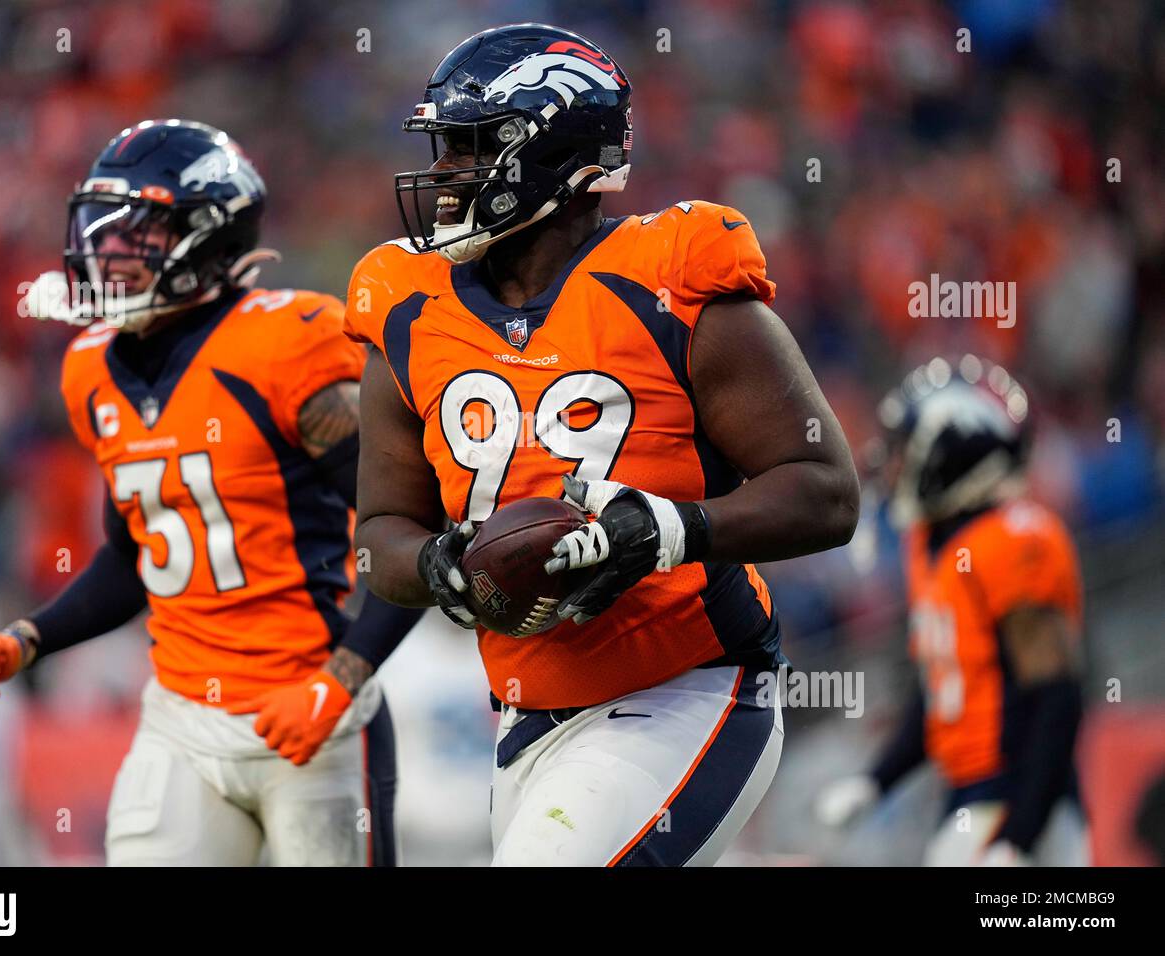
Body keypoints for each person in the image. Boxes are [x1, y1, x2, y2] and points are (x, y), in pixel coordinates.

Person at [347, 24, 859, 866]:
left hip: (689, 689)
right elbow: (380, 538)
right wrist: (444, 566)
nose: (441, 175)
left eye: (469, 148)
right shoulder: (404, 305)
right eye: (442, 148)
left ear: (552, 154)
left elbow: (826, 491)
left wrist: (666, 531)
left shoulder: (670, 279)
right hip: (523, 720)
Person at [0, 120, 420, 866]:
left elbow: (409, 536)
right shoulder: (90, 368)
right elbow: (135, 557)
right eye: (99, 229)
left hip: (309, 709)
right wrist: (26, 640)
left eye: (138, 232)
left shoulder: (288, 343)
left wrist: (340, 681)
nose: (107, 253)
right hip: (181, 721)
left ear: (208, 236)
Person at [816, 355, 1088, 866]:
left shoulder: (1014, 538)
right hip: (971, 797)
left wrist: (1019, 837)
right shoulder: (931, 545)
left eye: (904, 449)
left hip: (1023, 795)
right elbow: (944, 686)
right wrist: (877, 780)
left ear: (948, 452)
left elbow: (1057, 698)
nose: (891, 464)